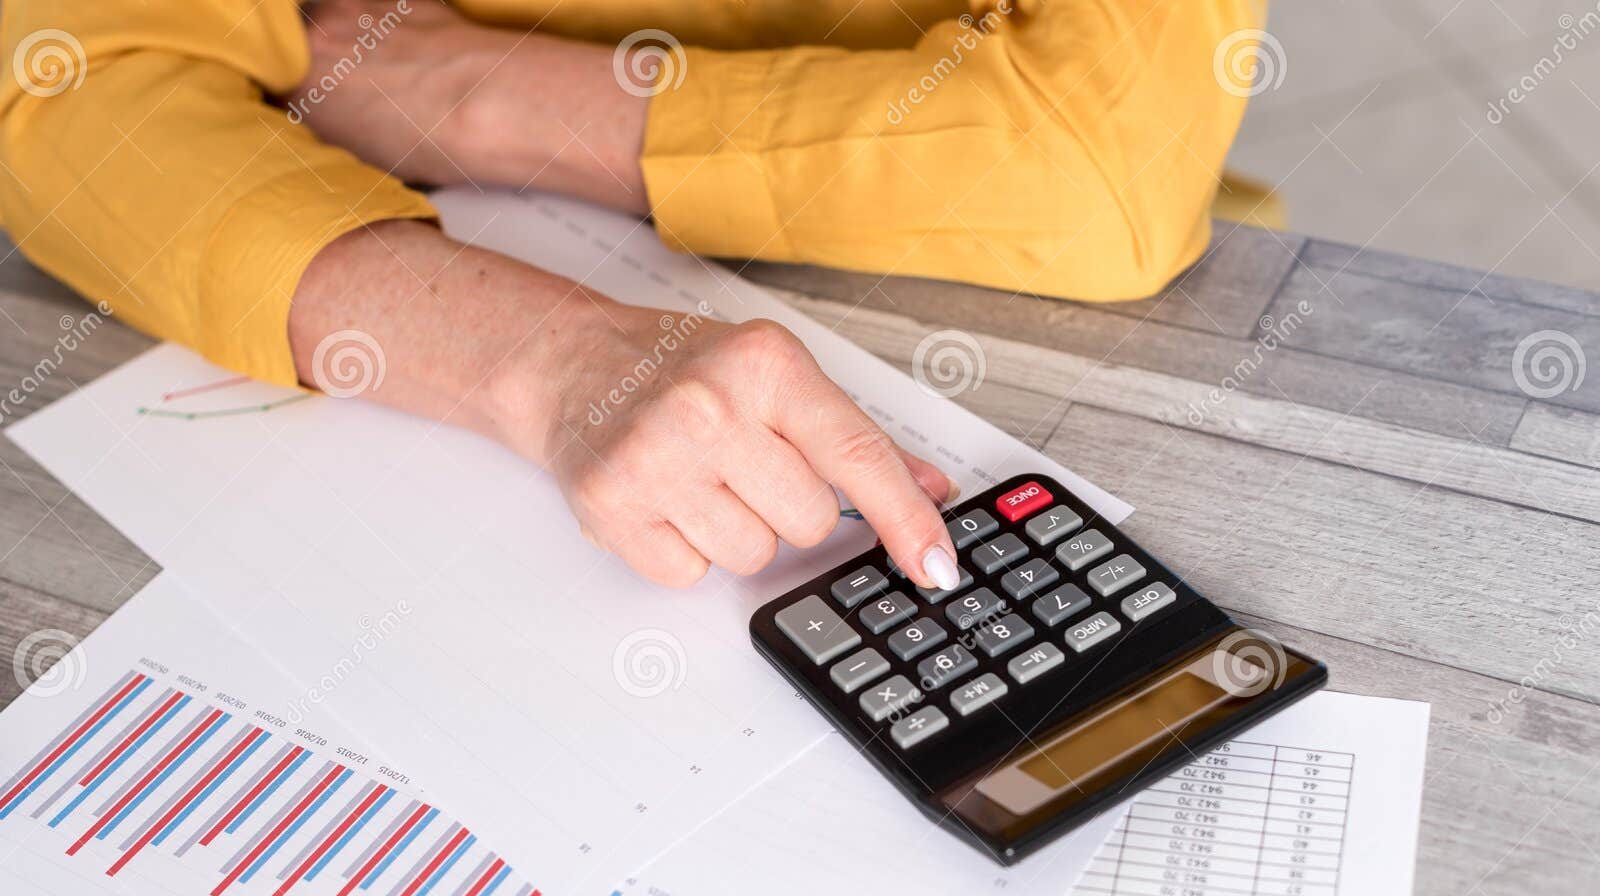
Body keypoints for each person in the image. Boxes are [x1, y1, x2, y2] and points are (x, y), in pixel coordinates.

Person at [0, 0, 1261, 591]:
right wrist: (545, 354)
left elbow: (1106, 169)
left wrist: (489, 100)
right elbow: (62, 67)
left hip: (1117, 338)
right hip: (405, 205)